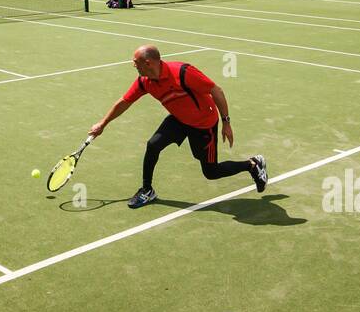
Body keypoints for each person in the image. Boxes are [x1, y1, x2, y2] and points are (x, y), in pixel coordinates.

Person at [89, 44, 266, 208]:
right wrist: (103, 123)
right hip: (179, 119)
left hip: (203, 124)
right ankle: (147, 190)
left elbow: (216, 90)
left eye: (136, 62)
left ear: (148, 62)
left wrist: (226, 123)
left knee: (211, 172)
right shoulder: (145, 81)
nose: (133, 65)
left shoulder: (183, 72)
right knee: (153, 145)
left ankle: (252, 164)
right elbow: (125, 101)